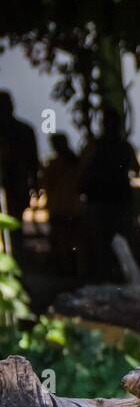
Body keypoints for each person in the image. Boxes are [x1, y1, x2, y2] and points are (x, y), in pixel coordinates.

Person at [79, 107, 140, 281]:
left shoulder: (95, 145)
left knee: (101, 244)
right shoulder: (124, 146)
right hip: (119, 198)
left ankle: (104, 277)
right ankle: (118, 275)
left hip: (100, 199)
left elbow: (83, 169)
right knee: (120, 241)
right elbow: (136, 168)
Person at [0, 91, 39, 255]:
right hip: (18, 185)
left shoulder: (23, 130)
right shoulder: (24, 130)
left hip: (16, 185)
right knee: (14, 229)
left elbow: (33, 162)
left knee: (13, 228)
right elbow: (34, 163)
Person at [41, 133, 83, 277]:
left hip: (58, 208)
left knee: (61, 242)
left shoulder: (54, 165)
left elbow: (47, 185)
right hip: (73, 208)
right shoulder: (76, 163)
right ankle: (75, 270)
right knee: (73, 241)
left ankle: (65, 270)